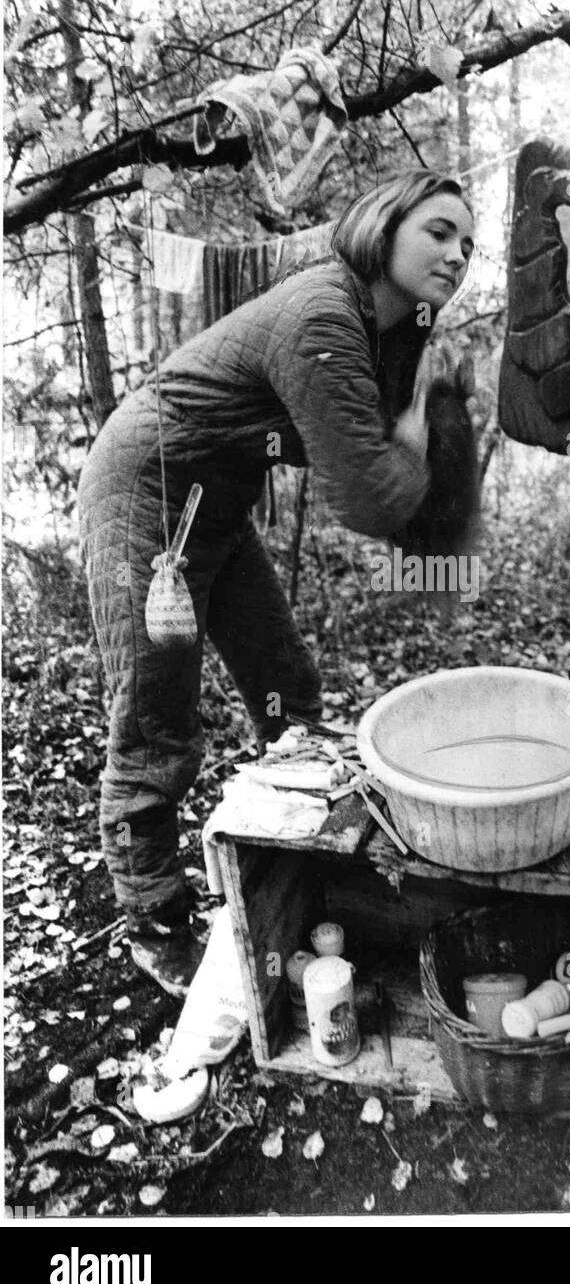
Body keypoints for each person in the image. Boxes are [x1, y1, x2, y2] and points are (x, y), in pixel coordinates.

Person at [78, 170, 475, 997]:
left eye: (468, 243)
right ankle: (153, 916)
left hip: (209, 506)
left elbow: (394, 473)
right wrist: (416, 441)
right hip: (141, 491)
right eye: (439, 231)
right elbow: (368, 495)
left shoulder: (383, 328)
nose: (457, 254)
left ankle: (291, 857)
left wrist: (425, 417)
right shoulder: (323, 313)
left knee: (283, 683)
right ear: (382, 222)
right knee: (156, 717)